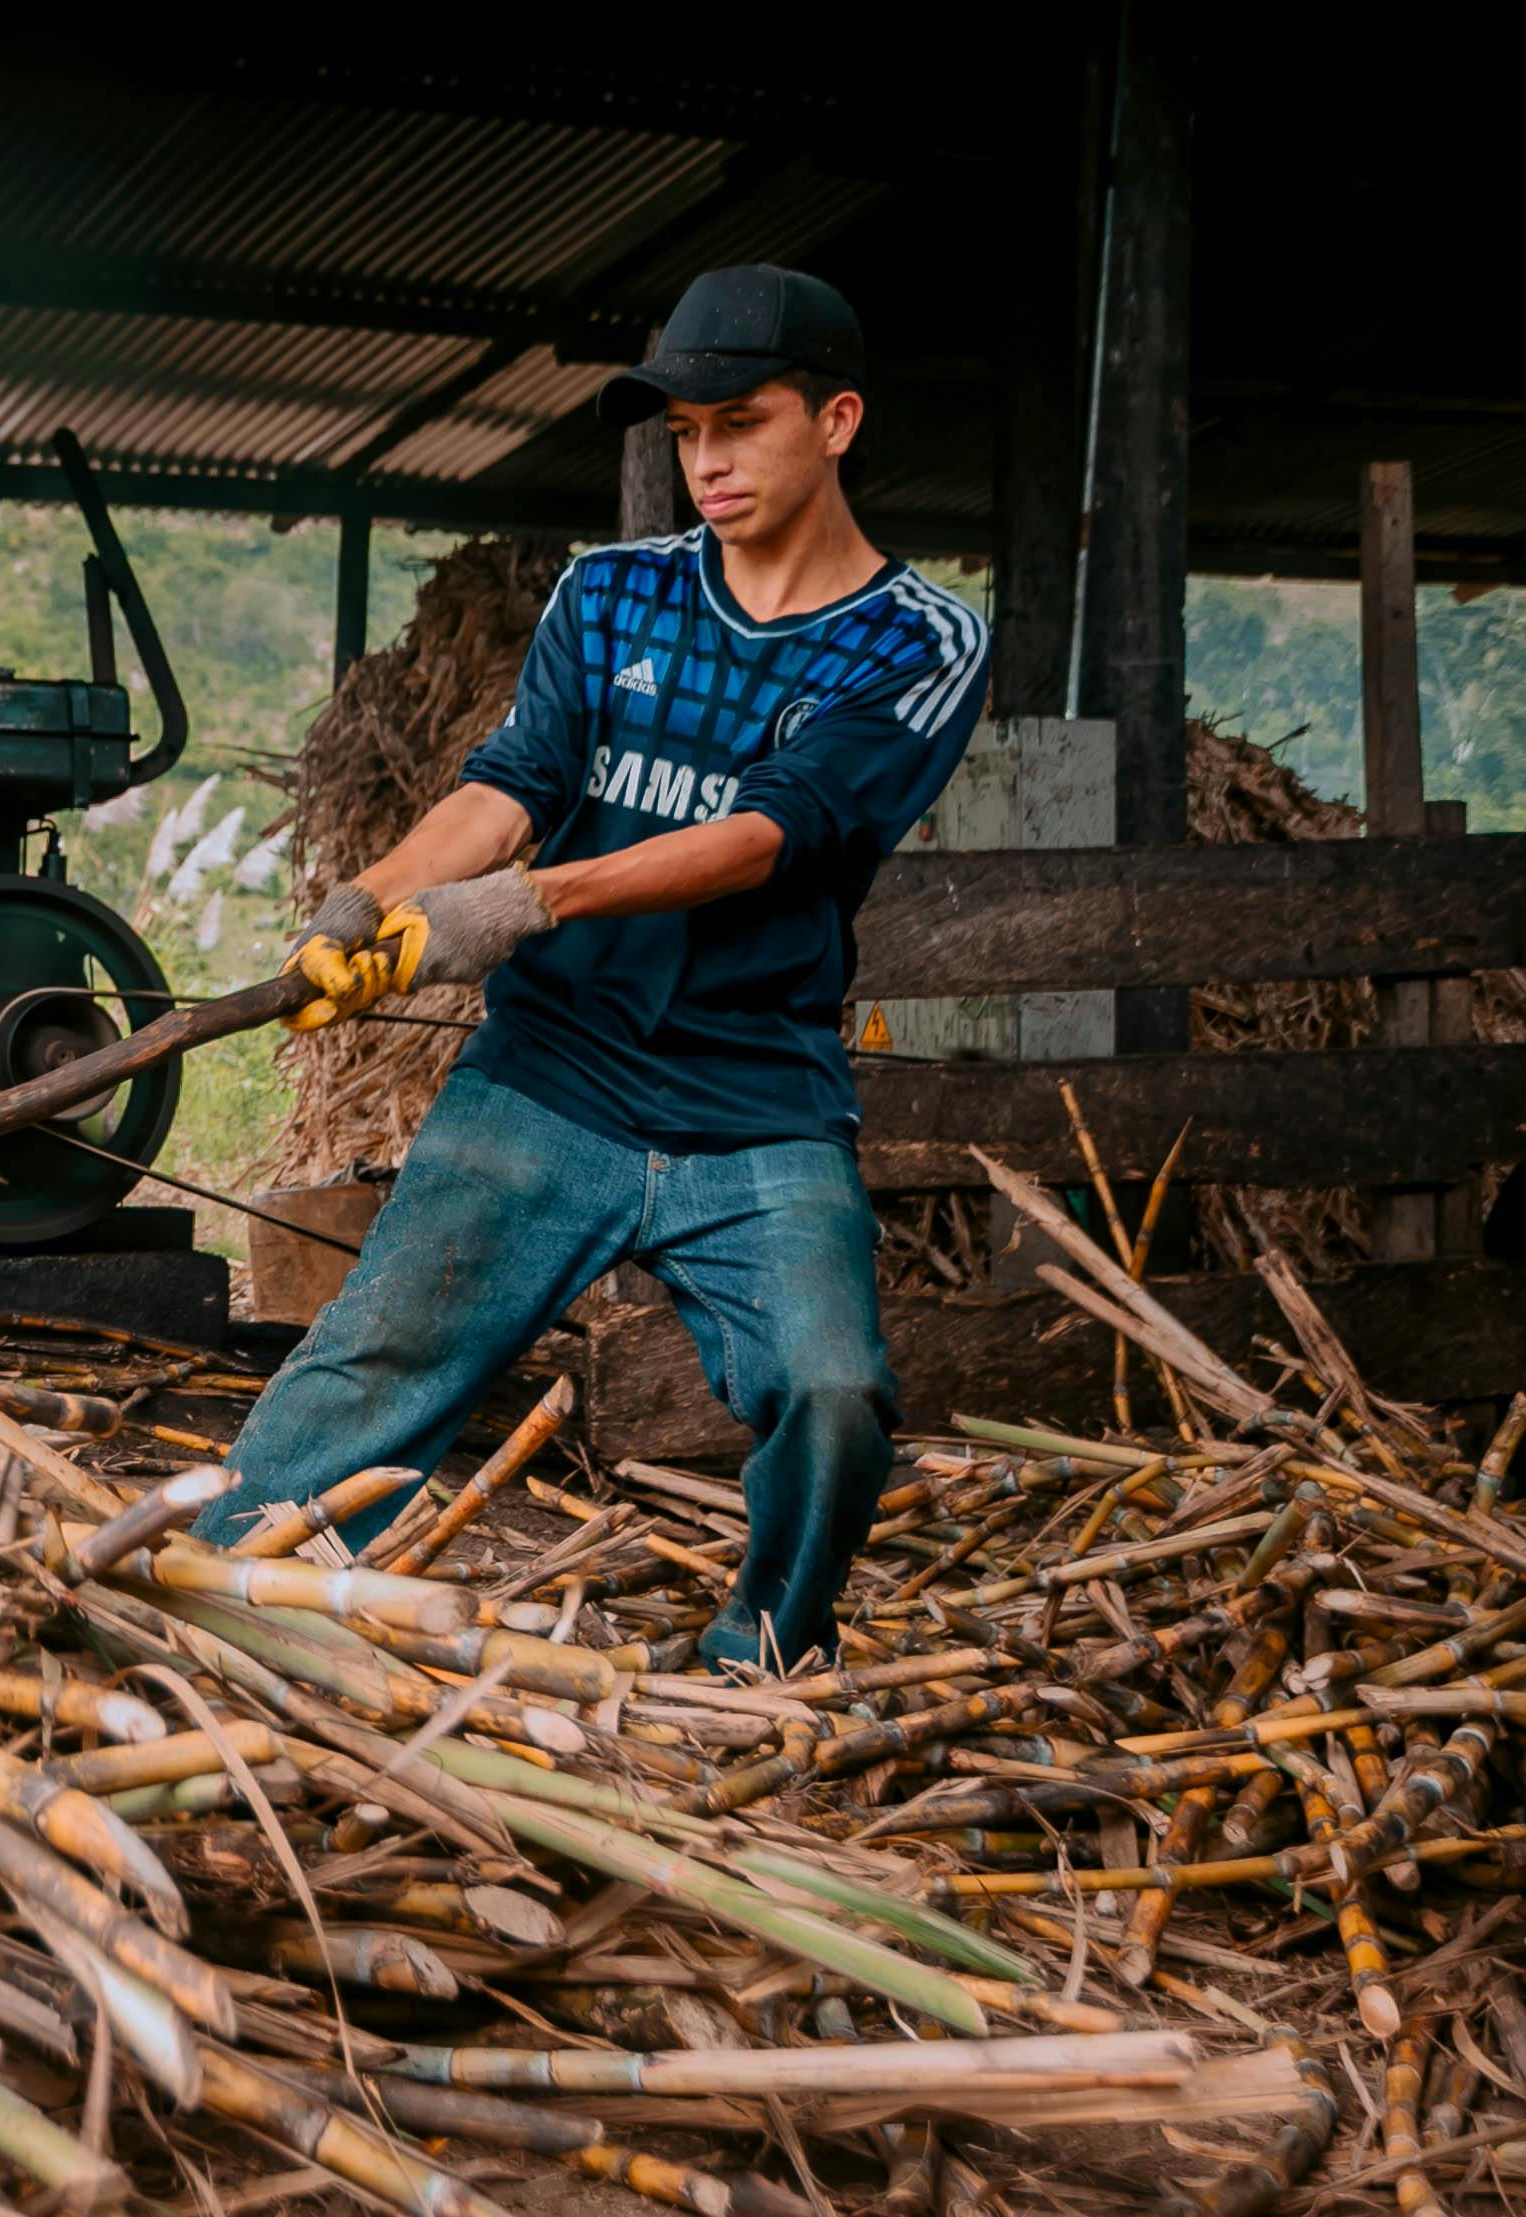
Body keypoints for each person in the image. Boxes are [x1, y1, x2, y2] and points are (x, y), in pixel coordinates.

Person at [193, 265, 987, 1669]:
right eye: (685, 433)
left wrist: (514, 904)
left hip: (754, 1099)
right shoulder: (608, 596)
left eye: (739, 422)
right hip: (546, 1076)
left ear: (838, 420)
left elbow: (766, 835)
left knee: (836, 1390)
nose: (708, 462)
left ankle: (764, 1662)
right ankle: (214, 1609)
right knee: (369, 1365)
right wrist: (369, 898)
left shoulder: (919, 640)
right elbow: (509, 783)